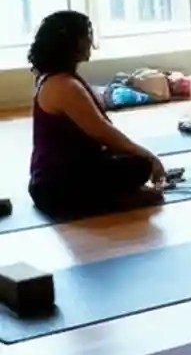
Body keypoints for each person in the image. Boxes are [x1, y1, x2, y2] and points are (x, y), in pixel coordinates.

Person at [26, 11, 168, 217]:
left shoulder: (55, 78)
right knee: (140, 166)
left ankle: (115, 195)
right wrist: (150, 157)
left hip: (52, 180)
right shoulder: (64, 85)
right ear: (73, 43)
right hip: (57, 189)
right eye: (87, 36)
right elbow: (103, 132)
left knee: (128, 160)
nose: (90, 42)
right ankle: (112, 199)